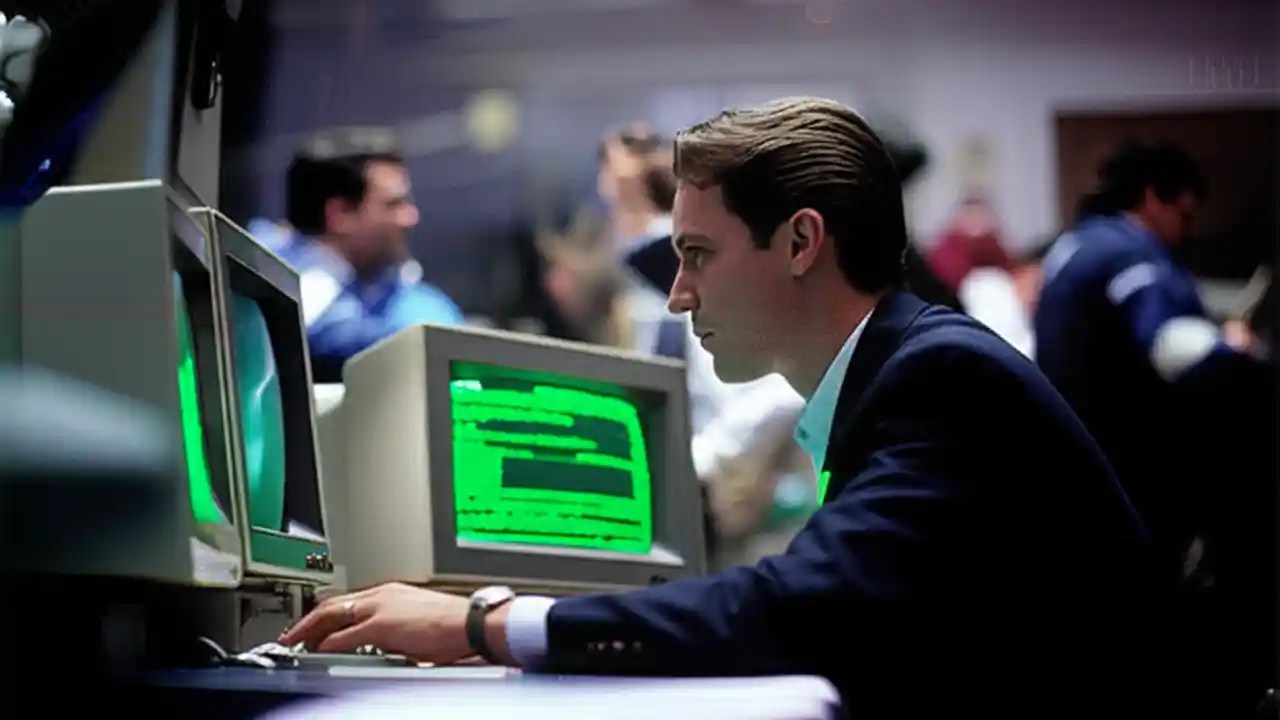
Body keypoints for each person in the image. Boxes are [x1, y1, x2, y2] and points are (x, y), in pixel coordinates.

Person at [281, 98, 1168, 718]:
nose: (677, 296)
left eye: (697, 254)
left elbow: (795, 608)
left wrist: (481, 623)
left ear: (799, 242)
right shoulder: (912, 367)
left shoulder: (938, 379)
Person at [1035, 141, 1275, 715]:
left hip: (1078, 470)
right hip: (1131, 475)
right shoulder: (1131, 254)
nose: (1186, 231)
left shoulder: (1073, 245)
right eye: (1185, 215)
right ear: (1154, 199)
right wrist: (1237, 357)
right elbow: (1174, 348)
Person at [277, 126, 463, 381]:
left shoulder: (406, 295)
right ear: (339, 214)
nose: (411, 218)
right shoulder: (276, 286)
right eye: (393, 204)